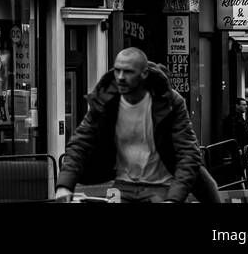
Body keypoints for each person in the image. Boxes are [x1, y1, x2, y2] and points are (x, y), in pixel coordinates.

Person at [54, 48, 220, 204]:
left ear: (144, 74)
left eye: (128, 72)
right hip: (123, 184)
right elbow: (81, 142)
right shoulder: (105, 100)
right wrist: (64, 185)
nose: (120, 77)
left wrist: (174, 198)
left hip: (163, 186)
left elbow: (188, 152)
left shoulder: (169, 101)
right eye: (117, 70)